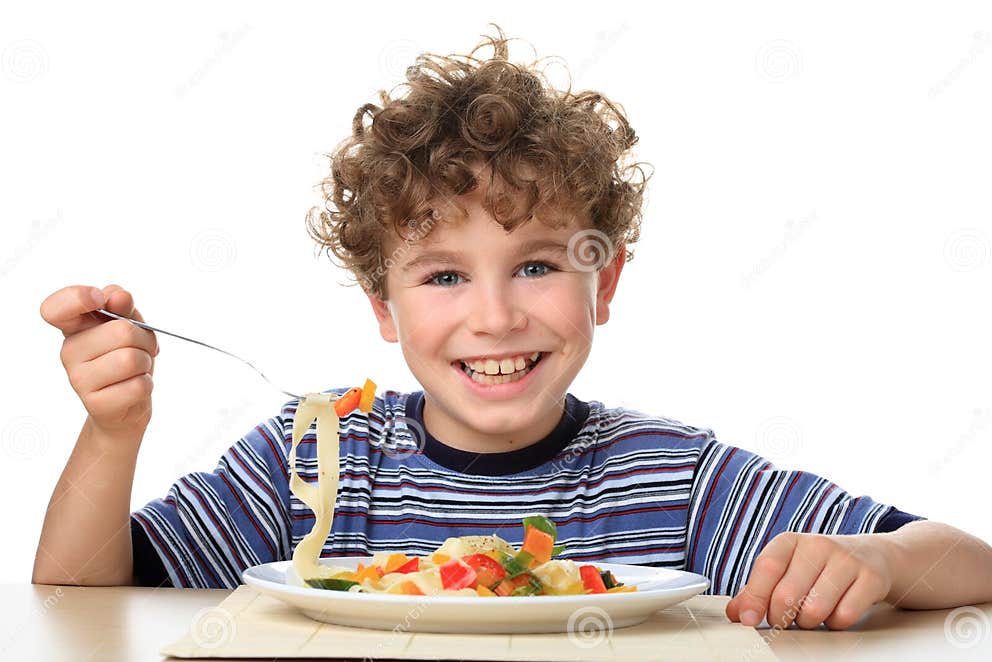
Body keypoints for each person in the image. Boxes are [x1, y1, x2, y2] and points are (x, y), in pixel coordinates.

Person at [33, 25, 992, 631]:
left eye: (536, 265)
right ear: (383, 306)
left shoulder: (674, 479)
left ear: (602, 279)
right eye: (443, 275)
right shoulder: (315, 461)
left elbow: (973, 566)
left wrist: (880, 558)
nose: (494, 316)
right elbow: (80, 598)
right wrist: (112, 432)